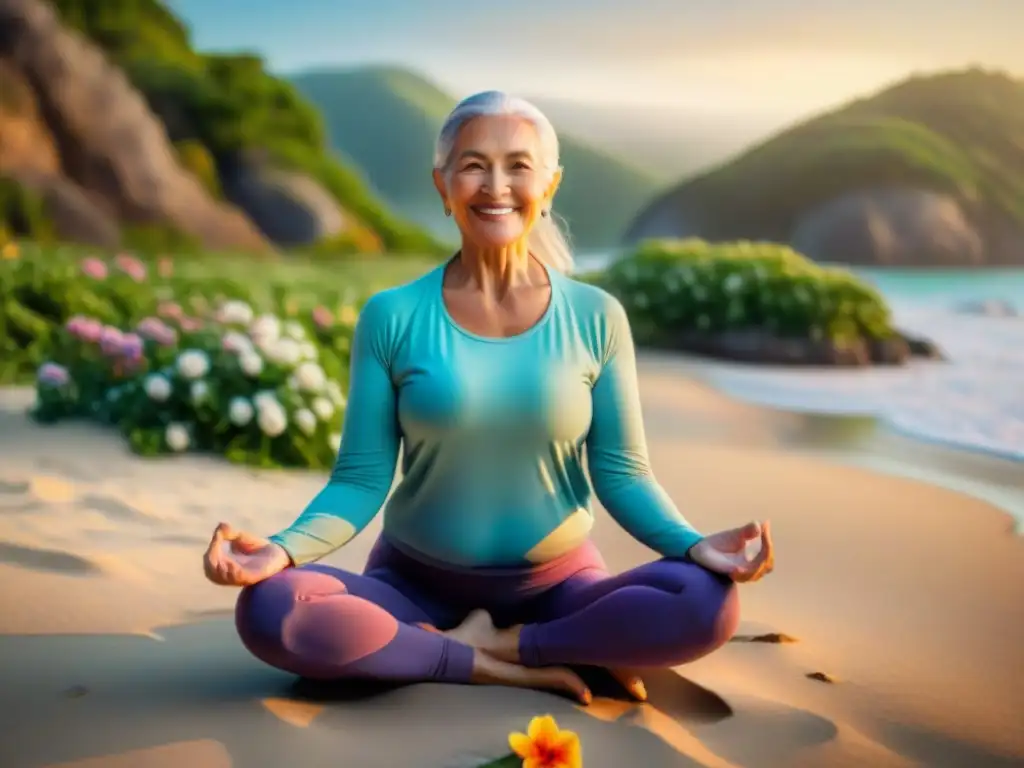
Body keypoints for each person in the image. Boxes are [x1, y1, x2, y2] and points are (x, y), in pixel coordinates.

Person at [203, 90, 775, 705]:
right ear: (442, 185)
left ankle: (516, 643)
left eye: (518, 166)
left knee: (706, 601)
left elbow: (623, 472)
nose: (494, 184)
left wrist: (693, 545)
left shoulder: (596, 316)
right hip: (412, 586)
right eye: (473, 164)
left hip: (559, 586)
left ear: (549, 187)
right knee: (270, 609)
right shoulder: (392, 315)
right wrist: (282, 548)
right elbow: (361, 478)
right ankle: (488, 658)